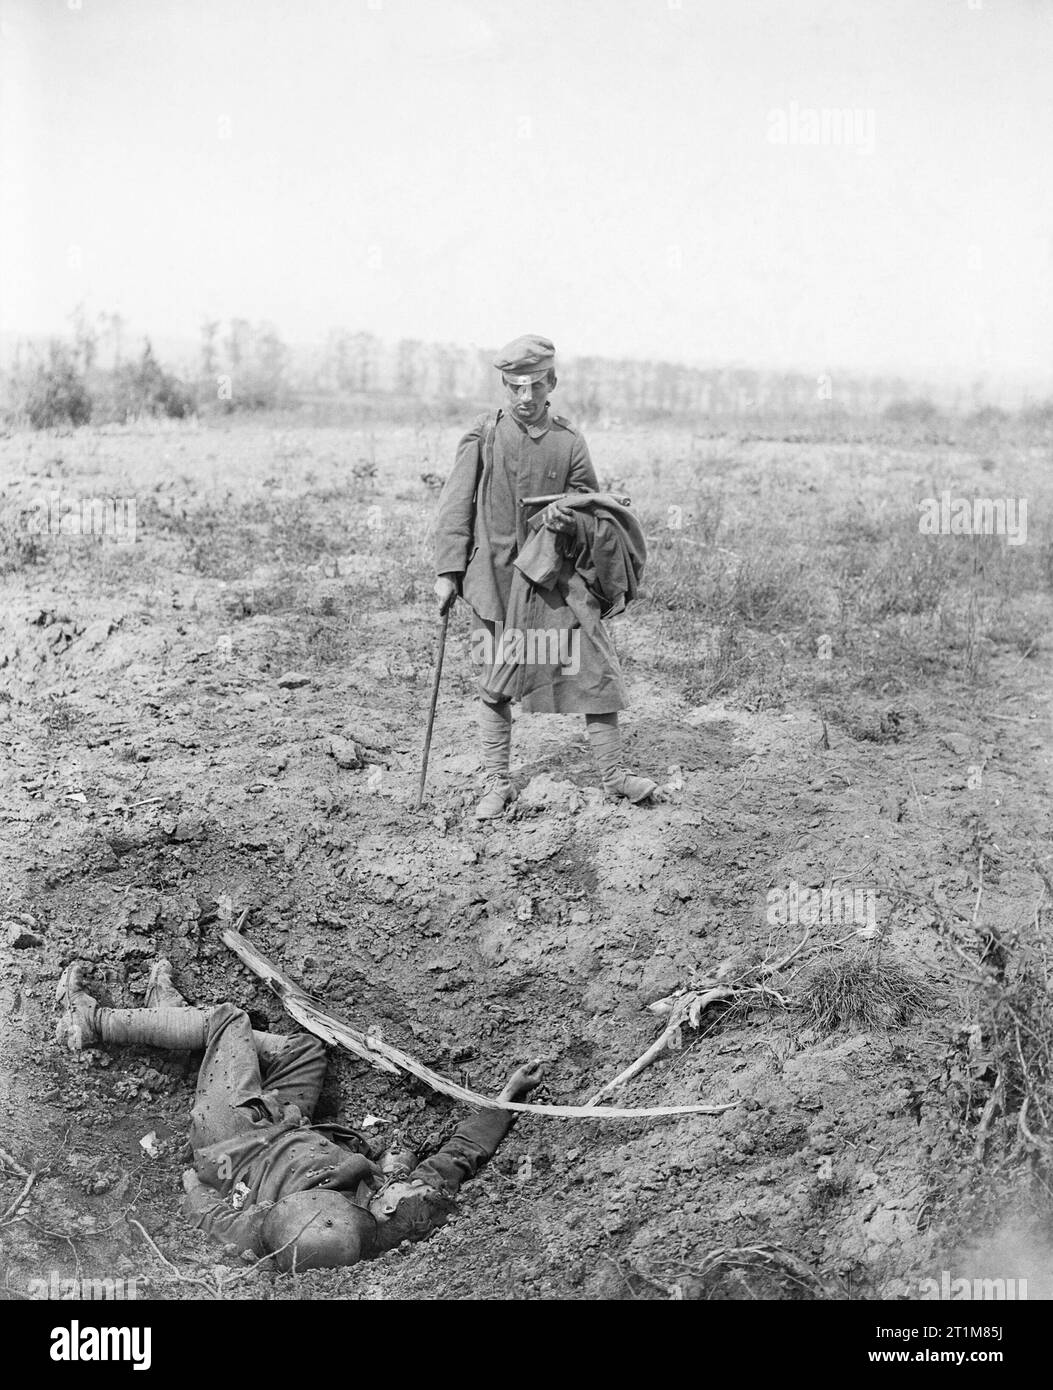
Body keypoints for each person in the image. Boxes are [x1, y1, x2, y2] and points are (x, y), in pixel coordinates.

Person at [55, 959, 543, 1271]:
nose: (410, 1176)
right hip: (289, 1124)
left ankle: (93, 1023)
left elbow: (222, 1219)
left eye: (404, 1184)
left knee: (231, 1017)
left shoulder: (321, 1231)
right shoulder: (396, 1214)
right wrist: (503, 1100)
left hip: (234, 1138)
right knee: (308, 1048)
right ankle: (177, 1021)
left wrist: (195, 1182)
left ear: (385, 1207)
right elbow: (457, 1158)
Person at [433, 333, 662, 820]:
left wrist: (569, 522)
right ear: (504, 385)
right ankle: (496, 782)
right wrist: (449, 572)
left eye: (535, 385)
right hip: (494, 583)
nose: (525, 397)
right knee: (497, 679)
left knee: (594, 670)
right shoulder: (483, 436)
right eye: (515, 386)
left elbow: (596, 515)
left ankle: (615, 777)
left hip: (555, 582)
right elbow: (455, 505)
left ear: (551, 382)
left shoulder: (569, 441)